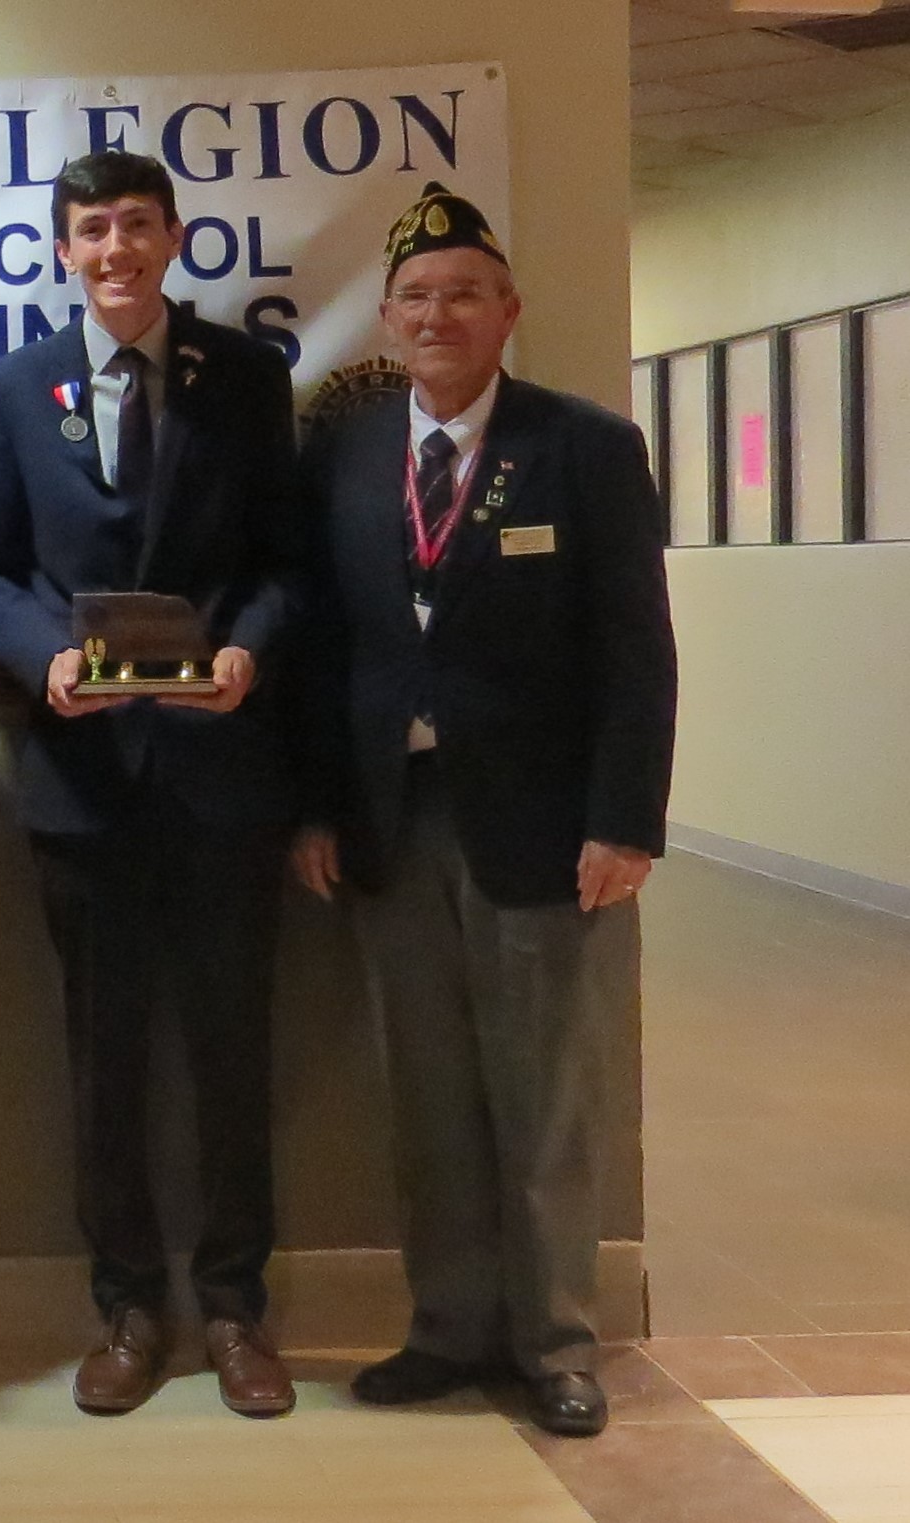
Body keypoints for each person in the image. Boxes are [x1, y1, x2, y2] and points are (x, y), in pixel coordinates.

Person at [290, 183, 677, 1439]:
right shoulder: (345, 453)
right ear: (389, 321)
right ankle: (448, 1327)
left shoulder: (586, 447)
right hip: (393, 818)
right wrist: (314, 807)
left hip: (544, 827)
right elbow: (321, 648)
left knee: (545, 1097)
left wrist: (626, 818)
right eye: (415, 296)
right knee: (430, 1095)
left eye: (464, 292)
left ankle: (558, 1338)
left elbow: (635, 649)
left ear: (507, 310)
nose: (438, 313)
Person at [0, 150, 302, 1418]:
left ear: (173, 239)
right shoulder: (10, 389)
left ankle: (233, 1308)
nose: (115, 250)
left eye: (137, 227)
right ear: (62, 249)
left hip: (220, 773)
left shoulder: (249, 378)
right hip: (83, 779)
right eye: (91, 230)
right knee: (103, 1062)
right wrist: (43, 658)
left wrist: (248, 646)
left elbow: (285, 559)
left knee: (228, 1052)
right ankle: (127, 1305)